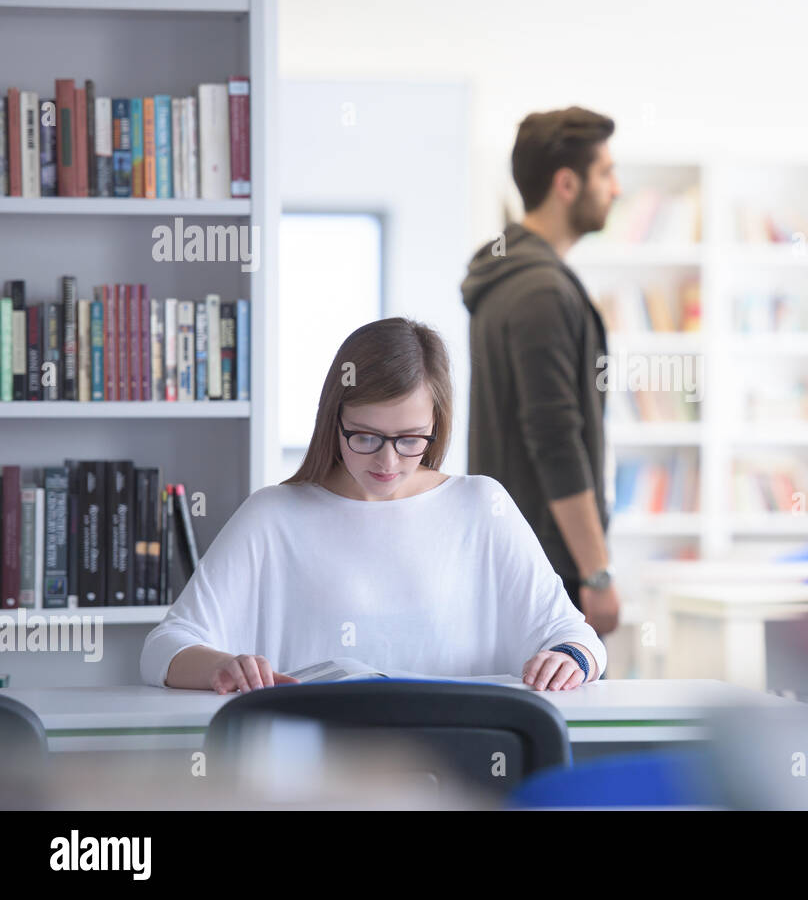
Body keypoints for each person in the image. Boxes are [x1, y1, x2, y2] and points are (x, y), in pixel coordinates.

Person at [139, 317, 606, 693]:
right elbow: (162, 649)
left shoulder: (482, 507)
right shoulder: (272, 516)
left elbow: (578, 637)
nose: (386, 461)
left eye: (409, 439)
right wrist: (222, 666)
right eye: (364, 436)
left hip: (458, 771)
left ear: (435, 426)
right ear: (333, 419)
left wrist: (568, 660)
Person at [460, 107, 622, 636]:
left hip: (514, 559)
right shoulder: (542, 291)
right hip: (549, 568)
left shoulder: (509, 278)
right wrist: (596, 573)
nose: (615, 190)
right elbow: (554, 439)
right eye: (606, 173)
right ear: (567, 183)